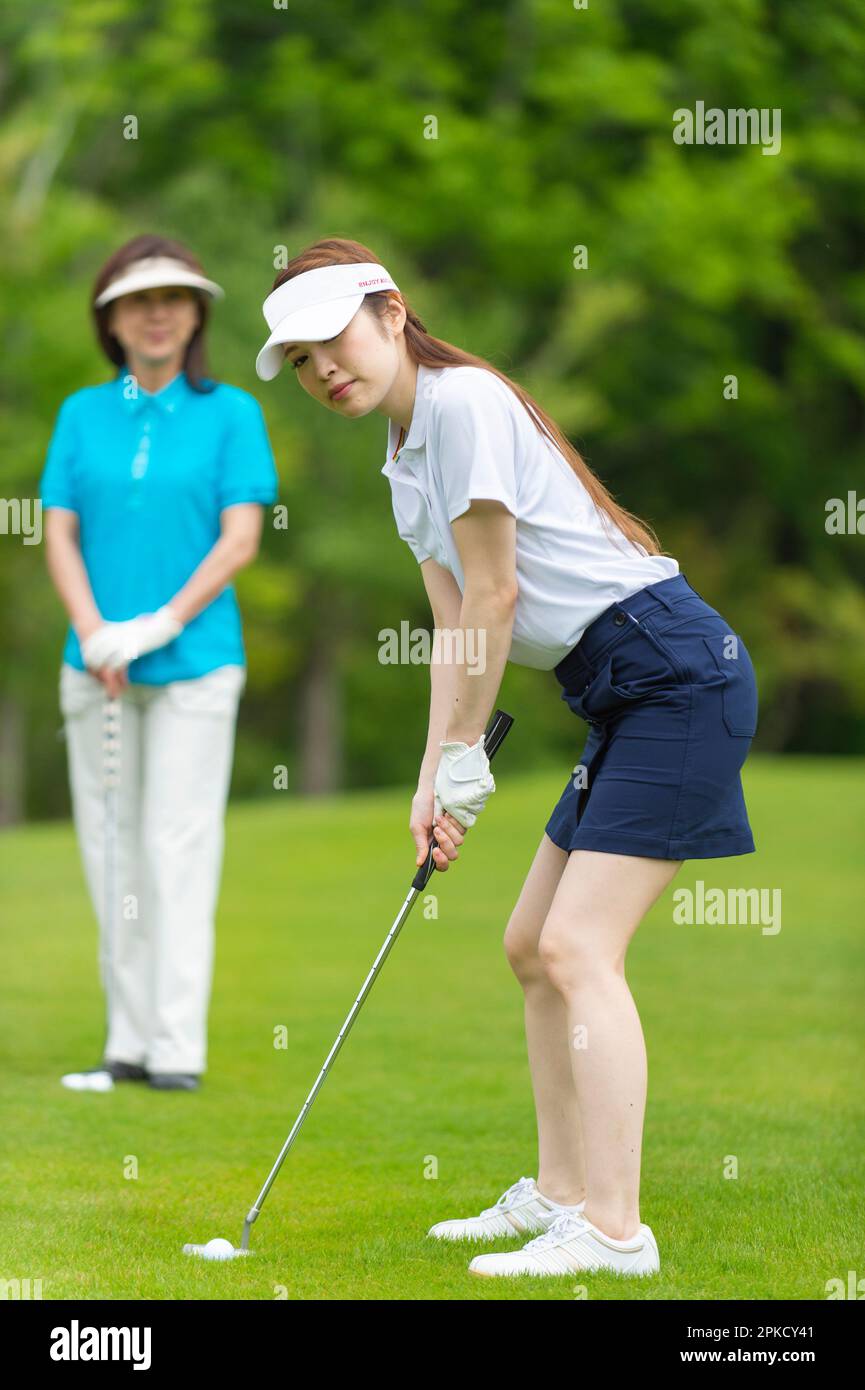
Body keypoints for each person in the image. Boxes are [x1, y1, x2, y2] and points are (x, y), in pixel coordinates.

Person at [253, 237, 758, 1277]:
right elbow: (453, 629)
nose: (322, 370)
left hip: (674, 673)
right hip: (620, 692)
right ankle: (559, 1193)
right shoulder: (403, 461)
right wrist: (437, 775)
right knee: (530, 944)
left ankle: (615, 1231)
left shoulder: (464, 404)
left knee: (578, 948)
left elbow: (497, 597)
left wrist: (463, 758)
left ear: (391, 313)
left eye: (331, 340)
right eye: (299, 362)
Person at [40, 234, 278, 1093]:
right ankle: (126, 1044)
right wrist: (98, 630)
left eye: (173, 299)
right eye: (138, 300)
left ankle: (176, 1047)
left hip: (197, 664)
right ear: (111, 318)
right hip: (92, 669)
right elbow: (59, 530)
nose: (156, 314)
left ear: (196, 314)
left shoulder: (231, 414)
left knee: (175, 847)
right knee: (111, 853)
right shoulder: (81, 414)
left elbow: (239, 537)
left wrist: (154, 626)